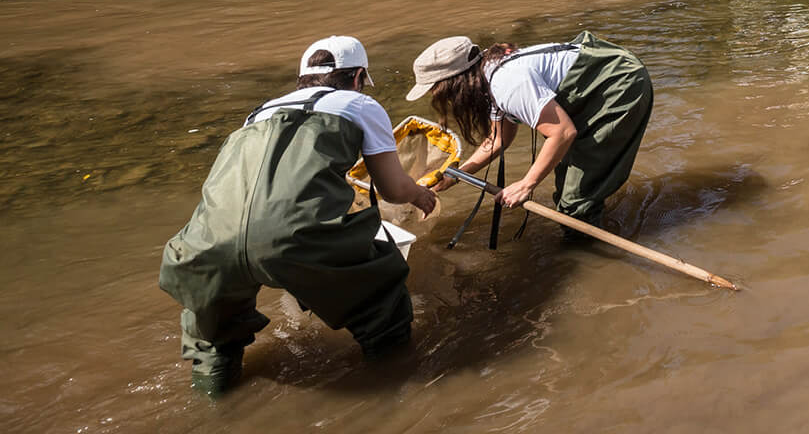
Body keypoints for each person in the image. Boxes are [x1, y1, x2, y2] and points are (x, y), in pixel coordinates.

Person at [159, 37, 437, 395]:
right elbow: (393, 190)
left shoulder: (258, 112)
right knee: (383, 305)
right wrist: (420, 194)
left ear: (303, 78)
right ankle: (398, 394)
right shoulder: (361, 105)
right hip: (297, 238)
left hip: (206, 242)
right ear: (357, 77)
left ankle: (213, 402)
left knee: (213, 342)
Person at [411, 31, 654, 224]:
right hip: (595, 88)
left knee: (575, 204)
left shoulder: (507, 84)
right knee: (569, 184)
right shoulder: (488, 76)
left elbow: (563, 132)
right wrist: (455, 176)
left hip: (619, 85)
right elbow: (498, 140)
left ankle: (586, 259)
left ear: (454, 83)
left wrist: (526, 184)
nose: (438, 97)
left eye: (436, 90)